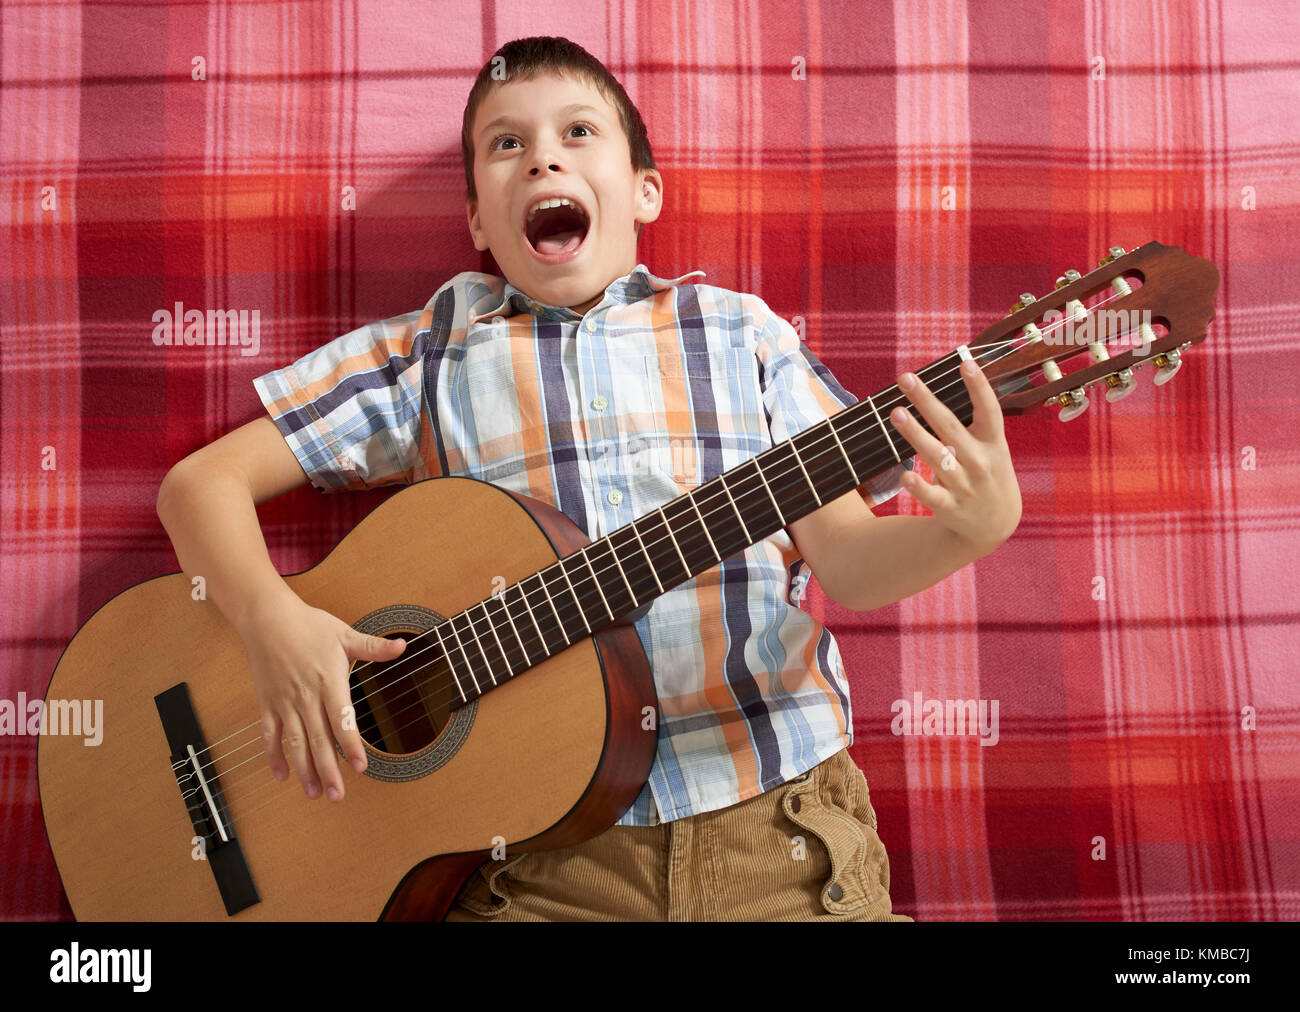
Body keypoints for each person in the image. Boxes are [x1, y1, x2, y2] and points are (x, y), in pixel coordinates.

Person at [155, 35, 1022, 922]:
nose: (542, 156)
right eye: (506, 144)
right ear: (479, 224)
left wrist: (966, 529)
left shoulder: (739, 335)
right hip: (531, 863)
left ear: (645, 192)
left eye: (577, 132)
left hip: (777, 831)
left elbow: (850, 560)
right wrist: (272, 624)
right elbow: (199, 486)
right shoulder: (434, 348)